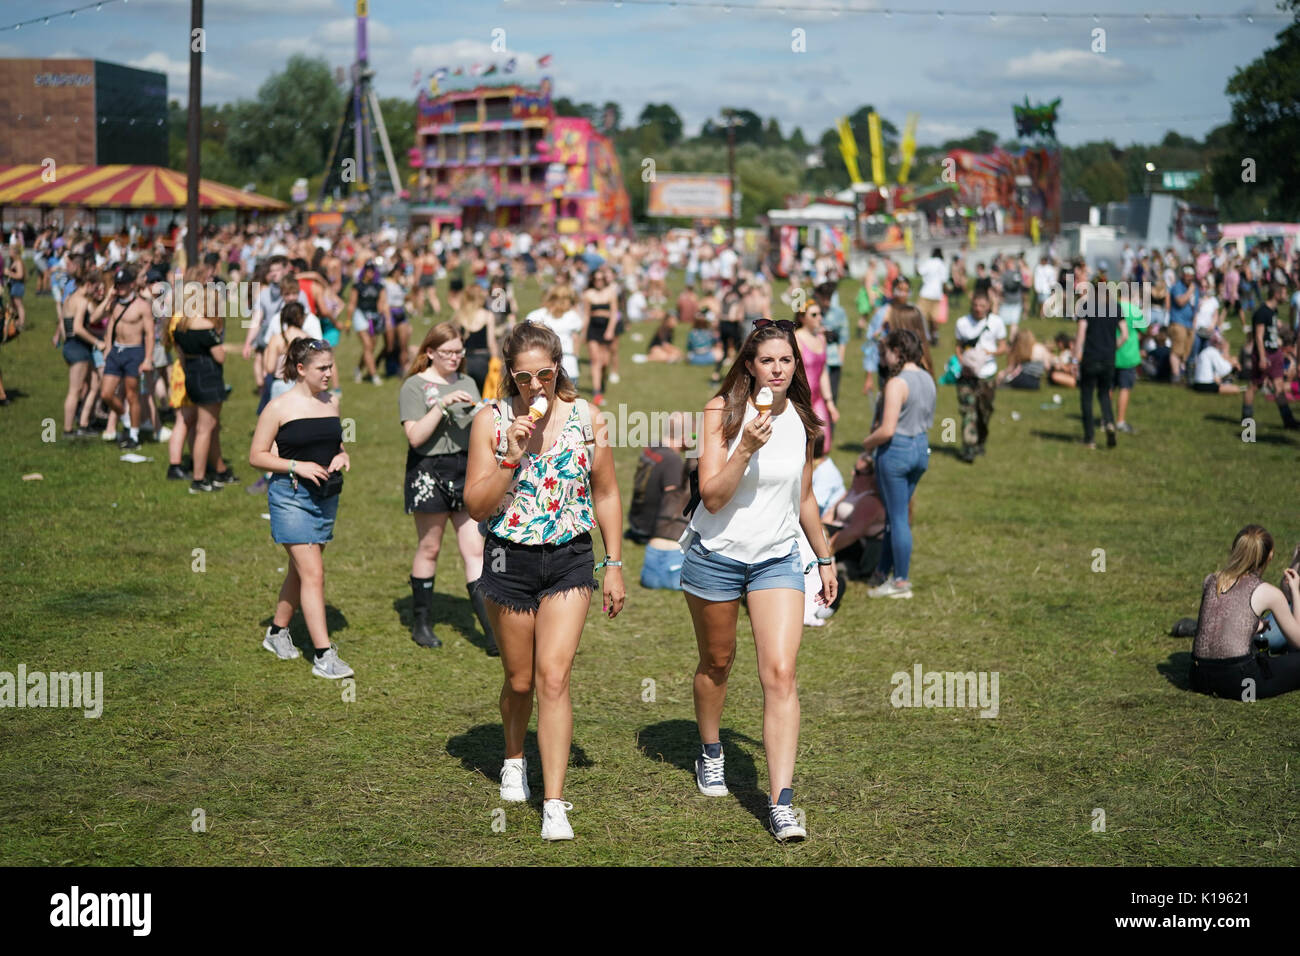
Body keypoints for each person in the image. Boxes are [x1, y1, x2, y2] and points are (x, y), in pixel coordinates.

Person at [464, 322, 626, 841]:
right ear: (510, 376)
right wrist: (511, 455)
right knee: (520, 681)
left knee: (554, 678)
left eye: (546, 374)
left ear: (560, 368)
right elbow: (475, 507)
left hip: (570, 558)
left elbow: (605, 493)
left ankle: (555, 802)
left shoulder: (587, 418)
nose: (536, 386)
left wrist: (614, 563)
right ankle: (515, 756)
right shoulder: (489, 421)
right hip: (510, 559)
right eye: (524, 377)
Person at [680, 317, 837, 843]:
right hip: (716, 556)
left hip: (778, 559)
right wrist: (744, 446)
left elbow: (806, 497)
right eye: (767, 360)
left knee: (781, 672)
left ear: (796, 365)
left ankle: (782, 802)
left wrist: (826, 557)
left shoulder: (801, 419)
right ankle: (710, 749)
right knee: (717, 663)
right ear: (749, 364)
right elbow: (714, 497)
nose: (777, 368)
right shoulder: (719, 413)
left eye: (786, 360)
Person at [249, 338, 354, 680]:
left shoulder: (331, 401)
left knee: (299, 571)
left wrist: (341, 454)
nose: (329, 373)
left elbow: (333, 440)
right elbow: (257, 456)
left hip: (326, 497)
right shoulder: (278, 407)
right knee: (313, 574)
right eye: (322, 368)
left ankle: (277, 632)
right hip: (290, 497)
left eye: (331, 366)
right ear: (300, 369)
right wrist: (296, 466)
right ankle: (324, 655)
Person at [399, 322, 496, 654]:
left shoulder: (468, 380)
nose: (455, 358)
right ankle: (422, 623)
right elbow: (414, 437)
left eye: (459, 351)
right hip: (428, 471)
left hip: (464, 469)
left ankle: (491, 632)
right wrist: (441, 406)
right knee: (430, 548)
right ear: (430, 353)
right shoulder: (414, 386)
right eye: (448, 352)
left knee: (474, 549)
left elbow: (476, 430)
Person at [862, 329, 935, 599]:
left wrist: (866, 443)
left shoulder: (897, 383)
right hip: (920, 448)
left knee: (898, 518)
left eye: (887, 352)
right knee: (897, 515)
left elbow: (887, 430)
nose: (884, 357)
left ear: (898, 352)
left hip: (897, 451)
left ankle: (901, 581)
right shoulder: (927, 378)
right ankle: (883, 571)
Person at [1189, 526, 1300, 700]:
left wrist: (1258, 625)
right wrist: (1296, 591)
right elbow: (1298, 640)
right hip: (1242, 685)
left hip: (1198, 678)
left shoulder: (1211, 579)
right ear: (1269, 556)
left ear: (1235, 549)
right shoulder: (1267, 592)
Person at [172, 282, 235, 491]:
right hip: (208, 377)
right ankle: (199, 479)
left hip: (191, 375)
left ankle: (220, 470)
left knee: (210, 427)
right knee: (205, 430)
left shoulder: (180, 326)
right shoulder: (206, 327)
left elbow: (180, 356)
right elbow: (220, 356)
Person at [626, 412, 691, 590]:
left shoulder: (652, 447)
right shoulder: (673, 461)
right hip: (651, 529)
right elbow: (673, 502)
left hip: (636, 522)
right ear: (685, 437)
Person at [93, 266, 154, 450]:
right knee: (106, 394)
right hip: (116, 352)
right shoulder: (114, 303)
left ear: (132, 285)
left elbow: (150, 334)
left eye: (123, 284)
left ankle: (133, 435)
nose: (119, 288)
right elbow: (94, 318)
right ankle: (126, 417)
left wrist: (148, 359)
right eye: (117, 284)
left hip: (134, 351)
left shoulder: (142, 306)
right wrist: (108, 298)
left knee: (131, 394)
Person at [953, 291, 1007, 462]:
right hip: (967, 375)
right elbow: (958, 347)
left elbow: (1004, 346)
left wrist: (990, 352)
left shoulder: (996, 322)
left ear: (988, 306)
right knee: (968, 410)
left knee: (984, 411)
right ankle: (969, 447)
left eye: (982, 306)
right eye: (975, 305)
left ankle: (981, 440)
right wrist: (964, 362)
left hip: (987, 374)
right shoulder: (962, 323)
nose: (978, 309)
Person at [1072, 282, 1128, 449]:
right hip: (1108, 359)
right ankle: (1110, 422)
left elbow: (1081, 335)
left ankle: (1089, 438)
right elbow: (1124, 335)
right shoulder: (1116, 308)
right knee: (1104, 394)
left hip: (1090, 357)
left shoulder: (1087, 307)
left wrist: (1075, 359)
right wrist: (1113, 347)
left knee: (1087, 396)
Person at [1243, 284, 1300, 430]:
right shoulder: (1262, 312)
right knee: (1254, 385)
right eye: (1284, 293)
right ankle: (1247, 421)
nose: (1286, 296)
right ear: (1276, 294)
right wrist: (1262, 357)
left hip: (1275, 353)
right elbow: (1258, 336)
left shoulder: (1273, 310)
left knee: (1279, 386)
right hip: (1264, 354)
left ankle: (1288, 421)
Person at [793, 302, 839, 446]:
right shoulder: (796, 338)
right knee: (801, 443)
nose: (819, 318)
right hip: (800, 399)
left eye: (820, 314)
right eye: (814, 315)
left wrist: (829, 402)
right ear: (802, 318)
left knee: (823, 442)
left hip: (817, 398)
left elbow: (823, 371)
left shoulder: (821, 338)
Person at [1112, 283, 1149, 434]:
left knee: (1109, 387)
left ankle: (1105, 419)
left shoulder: (1110, 308)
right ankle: (1120, 421)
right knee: (1124, 388)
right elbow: (1144, 329)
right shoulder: (1134, 310)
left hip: (1112, 354)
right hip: (1128, 356)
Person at [524, 285, 583, 381]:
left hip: (543, 365)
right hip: (568, 365)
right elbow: (579, 329)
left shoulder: (536, 315)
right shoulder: (572, 316)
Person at [347, 260, 390, 386]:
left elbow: (383, 302)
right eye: (368, 270)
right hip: (360, 315)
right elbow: (352, 304)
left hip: (373, 318)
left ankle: (359, 369)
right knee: (367, 345)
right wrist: (348, 321)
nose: (370, 273)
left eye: (372, 270)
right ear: (364, 271)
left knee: (371, 346)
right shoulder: (357, 286)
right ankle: (374, 375)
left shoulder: (379, 286)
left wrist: (385, 318)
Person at [583, 265, 619, 406]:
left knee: (604, 362)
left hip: (606, 328)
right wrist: (583, 333)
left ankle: (602, 380)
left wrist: (610, 330)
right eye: (596, 279)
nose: (598, 281)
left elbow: (614, 314)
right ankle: (597, 391)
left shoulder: (610, 293)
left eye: (601, 279)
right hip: (593, 328)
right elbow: (586, 314)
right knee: (595, 360)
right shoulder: (588, 294)